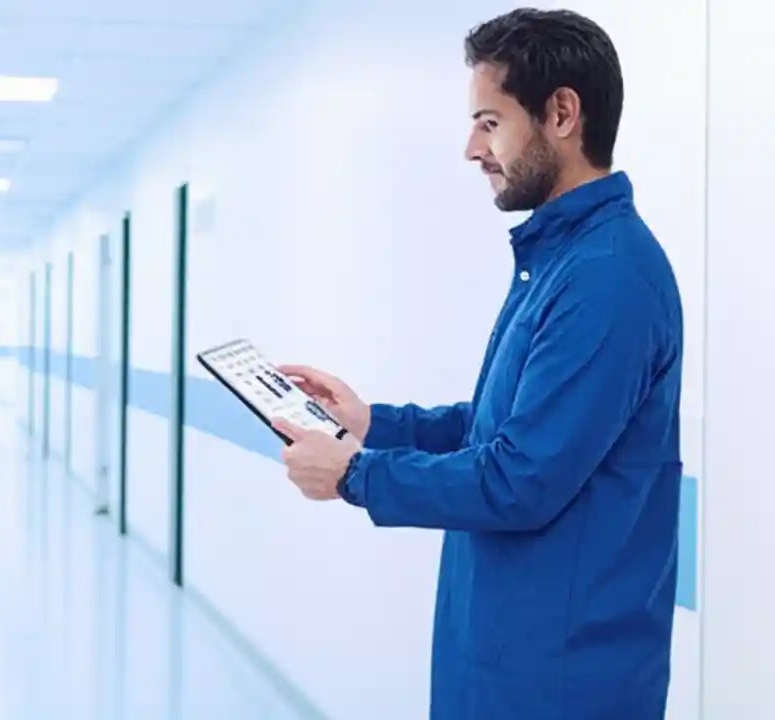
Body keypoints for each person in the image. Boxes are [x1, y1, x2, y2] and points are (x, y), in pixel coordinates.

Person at [271, 8, 683, 720]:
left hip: (562, 679)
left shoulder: (606, 278)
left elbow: (519, 479)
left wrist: (353, 474)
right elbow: (500, 430)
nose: (471, 148)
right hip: (510, 656)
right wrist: (371, 424)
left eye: (489, 122)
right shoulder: (561, 261)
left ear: (561, 113)